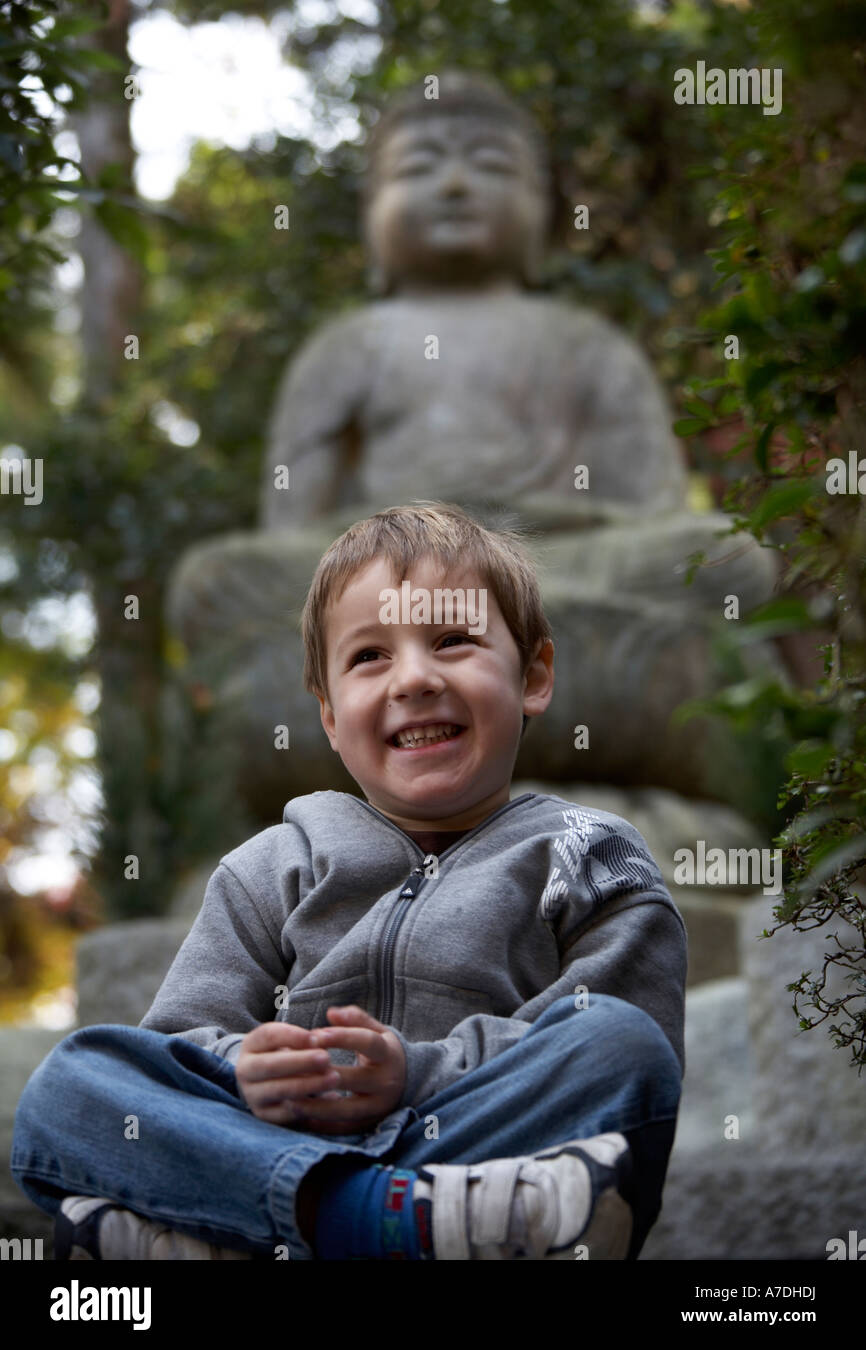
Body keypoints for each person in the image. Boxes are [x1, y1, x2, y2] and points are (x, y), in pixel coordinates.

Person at [11, 501, 686, 1261]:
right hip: (281, 1147)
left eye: (453, 641)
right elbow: (179, 1043)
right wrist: (246, 1071)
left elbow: (625, 1055)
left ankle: (285, 1227)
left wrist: (417, 1076)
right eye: (371, 657)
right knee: (75, 1081)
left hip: (473, 1160)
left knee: (622, 1043)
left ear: (533, 676)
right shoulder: (269, 866)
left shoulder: (587, 852)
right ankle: (360, 1215)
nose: (417, 678)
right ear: (329, 716)